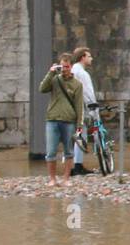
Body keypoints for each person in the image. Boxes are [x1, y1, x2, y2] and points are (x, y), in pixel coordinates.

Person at [39, 53, 84, 187]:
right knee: (51, 152)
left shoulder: (77, 84)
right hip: (52, 119)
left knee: (69, 151)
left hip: (69, 121)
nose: (64, 69)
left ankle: (66, 179)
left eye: (67, 66)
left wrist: (79, 124)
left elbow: (79, 105)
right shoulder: (54, 79)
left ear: (71, 67)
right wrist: (50, 73)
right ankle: (52, 179)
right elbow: (42, 89)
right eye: (62, 66)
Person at [69, 46, 97, 176]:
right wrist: (93, 108)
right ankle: (77, 165)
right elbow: (87, 92)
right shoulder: (82, 73)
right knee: (81, 135)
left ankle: (75, 164)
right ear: (83, 57)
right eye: (89, 56)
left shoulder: (72, 71)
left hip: (72, 107)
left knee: (76, 135)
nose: (91, 58)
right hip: (82, 109)